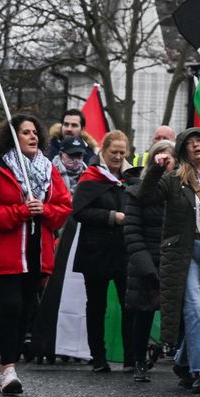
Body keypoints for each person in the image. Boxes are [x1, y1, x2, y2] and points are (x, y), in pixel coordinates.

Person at [0, 115, 73, 396]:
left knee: (24, 313)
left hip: (36, 254)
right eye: (25, 132)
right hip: (5, 255)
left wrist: (45, 210)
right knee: (12, 307)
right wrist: (21, 211)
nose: (33, 137)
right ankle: (9, 369)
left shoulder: (47, 169)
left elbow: (64, 206)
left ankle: (5, 369)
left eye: (35, 132)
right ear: (12, 137)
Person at [150, 129, 200, 394]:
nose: (195, 146)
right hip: (182, 251)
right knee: (195, 307)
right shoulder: (175, 178)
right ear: (183, 151)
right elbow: (145, 196)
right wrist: (155, 169)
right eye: (189, 143)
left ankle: (182, 360)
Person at [70, 130, 140, 376]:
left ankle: (131, 358)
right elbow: (79, 212)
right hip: (96, 250)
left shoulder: (131, 178)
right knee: (96, 306)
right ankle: (98, 357)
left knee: (129, 305)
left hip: (124, 250)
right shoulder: (91, 177)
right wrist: (111, 216)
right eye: (114, 152)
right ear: (103, 150)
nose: (118, 157)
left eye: (122, 152)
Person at [120, 140, 172, 376]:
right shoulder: (135, 193)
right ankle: (139, 359)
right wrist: (147, 268)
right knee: (143, 312)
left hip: (172, 259)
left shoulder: (180, 192)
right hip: (146, 262)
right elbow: (132, 234)